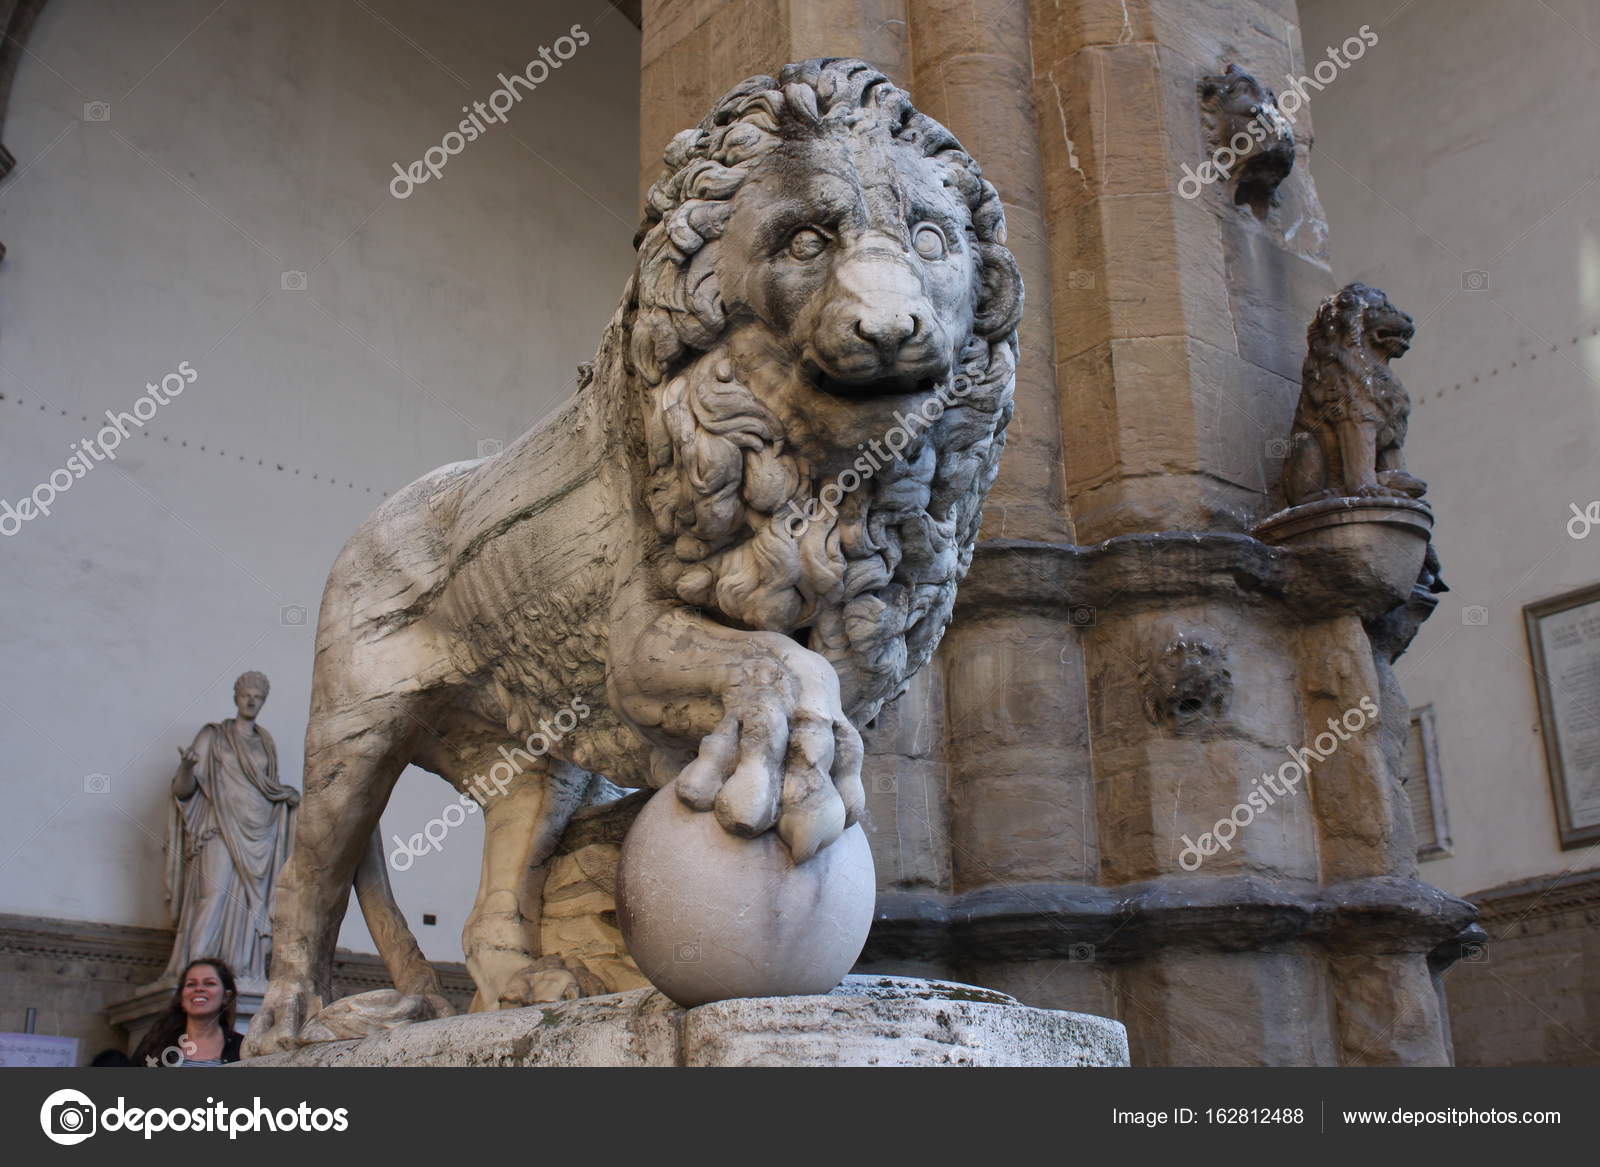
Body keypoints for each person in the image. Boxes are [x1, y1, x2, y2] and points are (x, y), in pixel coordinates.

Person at [163, 671, 299, 983]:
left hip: (259, 835)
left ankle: (241, 970)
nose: (251, 700)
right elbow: (184, 791)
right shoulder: (213, 735)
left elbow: (268, 787)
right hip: (220, 827)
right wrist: (186, 767)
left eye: (258, 697)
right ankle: (195, 971)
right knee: (214, 894)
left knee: (250, 905)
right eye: (246, 694)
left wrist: (286, 796)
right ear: (236, 696)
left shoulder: (265, 742)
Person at [134, 958, 244, 1067]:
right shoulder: (155, 1044)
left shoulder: (241, 1047)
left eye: (209, 983)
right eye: (191, 984)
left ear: (226, 997)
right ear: (181, 998)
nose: (199, 989)